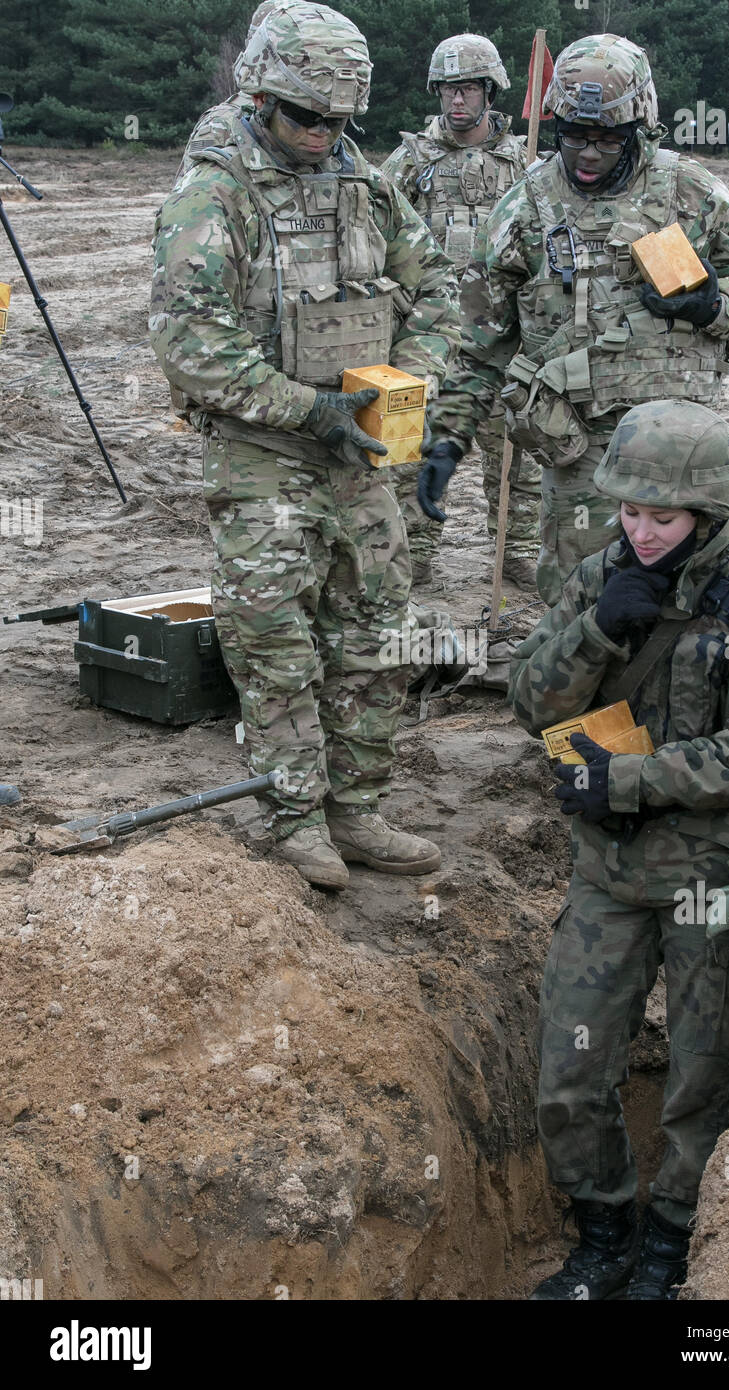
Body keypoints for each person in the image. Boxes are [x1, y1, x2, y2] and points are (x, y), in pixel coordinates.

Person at [506, 399, 729, 1300]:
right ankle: (602, 1234)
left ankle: (672, 1249)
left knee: (700, 1075)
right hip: (607, 873)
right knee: (569, 1071)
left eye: (664, 517)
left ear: (709, 514)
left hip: (716, 879)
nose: (642, 532)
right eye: (632, 512)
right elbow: (531, 700)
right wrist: (600, 628)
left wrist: (631, 782)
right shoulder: (604, 572)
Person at [150, 3, 460, 891]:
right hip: (262, 456)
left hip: (358, 450)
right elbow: (192, 346)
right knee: (275, 640)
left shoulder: (364, 183)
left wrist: (411, 381)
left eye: (337, 121)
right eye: (304, 118)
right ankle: (294, 817)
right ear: (258, 95)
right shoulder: (213, 197)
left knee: (376, 628)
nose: (322, 136)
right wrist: (308, 410)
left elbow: (435, 285)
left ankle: (355, 806)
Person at [420, 33, 729, 607]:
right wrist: (447, 439)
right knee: (583, 603)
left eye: (606, 140)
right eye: (574, 138)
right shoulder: (524, 210)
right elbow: (482, 345)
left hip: (683, 451)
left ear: (638, 129)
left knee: (692, 602)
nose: (588, 155)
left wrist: (713, 305)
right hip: (580, 451)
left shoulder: (688, 191)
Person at [380, 34, 541, 590]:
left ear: (489, 92)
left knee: (515, 450)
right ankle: (417, 548)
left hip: (501, 334)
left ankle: (517, 548)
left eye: (468, 89)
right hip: (429, 333)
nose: (456, 101)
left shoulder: (523, 161)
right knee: (417, 450)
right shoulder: (409, 161)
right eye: (449, 89)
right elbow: (374, 232)